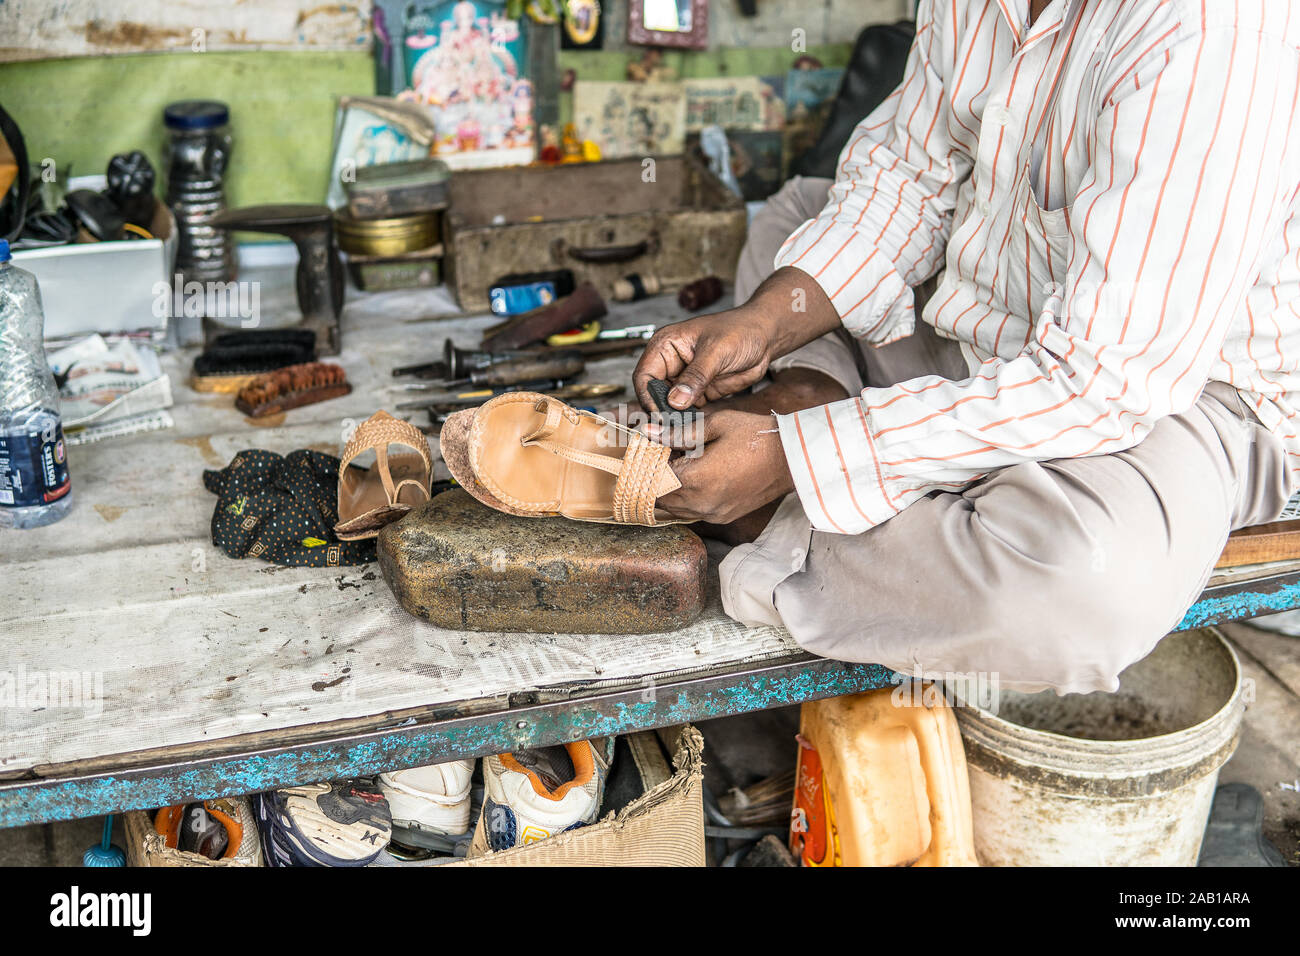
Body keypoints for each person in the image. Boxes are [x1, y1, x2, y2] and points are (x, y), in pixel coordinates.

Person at [633, 0, 1300, 693]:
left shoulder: (1214, 27)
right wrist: (769, 322)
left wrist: (795, 455)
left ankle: (767, 511)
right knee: (797, 211)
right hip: (978, 328)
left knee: (1071, 601)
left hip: (1169, 400)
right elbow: (910, 175)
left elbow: (1105, 378)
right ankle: (810, 394)